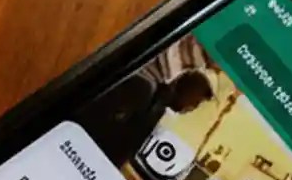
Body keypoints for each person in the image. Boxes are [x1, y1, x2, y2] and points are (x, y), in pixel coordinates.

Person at [77, 67, 216, 168]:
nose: (192, 108)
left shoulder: (158, 108)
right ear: (187, 89)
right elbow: (98, 123)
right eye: (195, 101)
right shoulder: (143, 89)